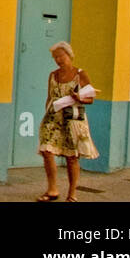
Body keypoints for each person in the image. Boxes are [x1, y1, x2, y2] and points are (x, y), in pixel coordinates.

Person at [36, 41, 99, 201]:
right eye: (55, 57)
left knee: (71, 157)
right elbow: (49, 97)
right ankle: (52, 189)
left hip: (72, 119)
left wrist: (79, 98)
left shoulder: (80, 74)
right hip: (53, 118)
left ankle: (72, 194)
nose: (58, 60)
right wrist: (47, 113)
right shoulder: (53, 75)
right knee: (47, 151)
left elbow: (90, 98)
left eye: (60, 56)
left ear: (69, 55)